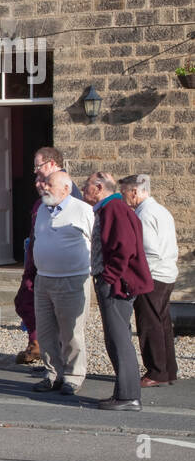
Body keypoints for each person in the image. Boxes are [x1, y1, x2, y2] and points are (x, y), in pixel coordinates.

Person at [85, 173, 153, 410]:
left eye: (87, 185)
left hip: (115, 284)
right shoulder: (112, 208)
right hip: (113, 281)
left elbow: (124, 246)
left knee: (118, 338)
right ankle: (124, 393)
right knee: (116, 336)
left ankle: (127, 396)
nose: (83, 189)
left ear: (99, 188)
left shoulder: (114, 208)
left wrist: (109, 276)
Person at [13, 149, 81, 365]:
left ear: (51, 164)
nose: (36, 175)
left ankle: (56, 357)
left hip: (56, 267)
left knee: (52, 313)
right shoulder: (44, 197)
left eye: (38, 166)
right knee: (25, 301)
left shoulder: (67, 191)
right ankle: (40, 346)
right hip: (37, 259)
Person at [31, 170, 93, 396]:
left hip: (72, 279)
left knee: (71, 331)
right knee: (45, 332)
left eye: (50, 184)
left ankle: (74, 375)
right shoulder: (42, 210)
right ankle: (52, 373)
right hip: (44, 279)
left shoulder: (82, 210)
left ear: (66, 189)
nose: (44, 187)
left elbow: (97, 242)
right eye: (44, 183)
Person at [120, 174, 179, 387]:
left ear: (134, 192)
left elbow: (149, 250)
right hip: (166, 273)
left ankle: (156, 372)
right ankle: (168, 370)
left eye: (124, 191)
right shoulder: (161, 211)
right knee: (162, 323)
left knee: (149, 324)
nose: (122, 196)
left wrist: (139, 274)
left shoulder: (143, 215)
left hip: (153, 275)